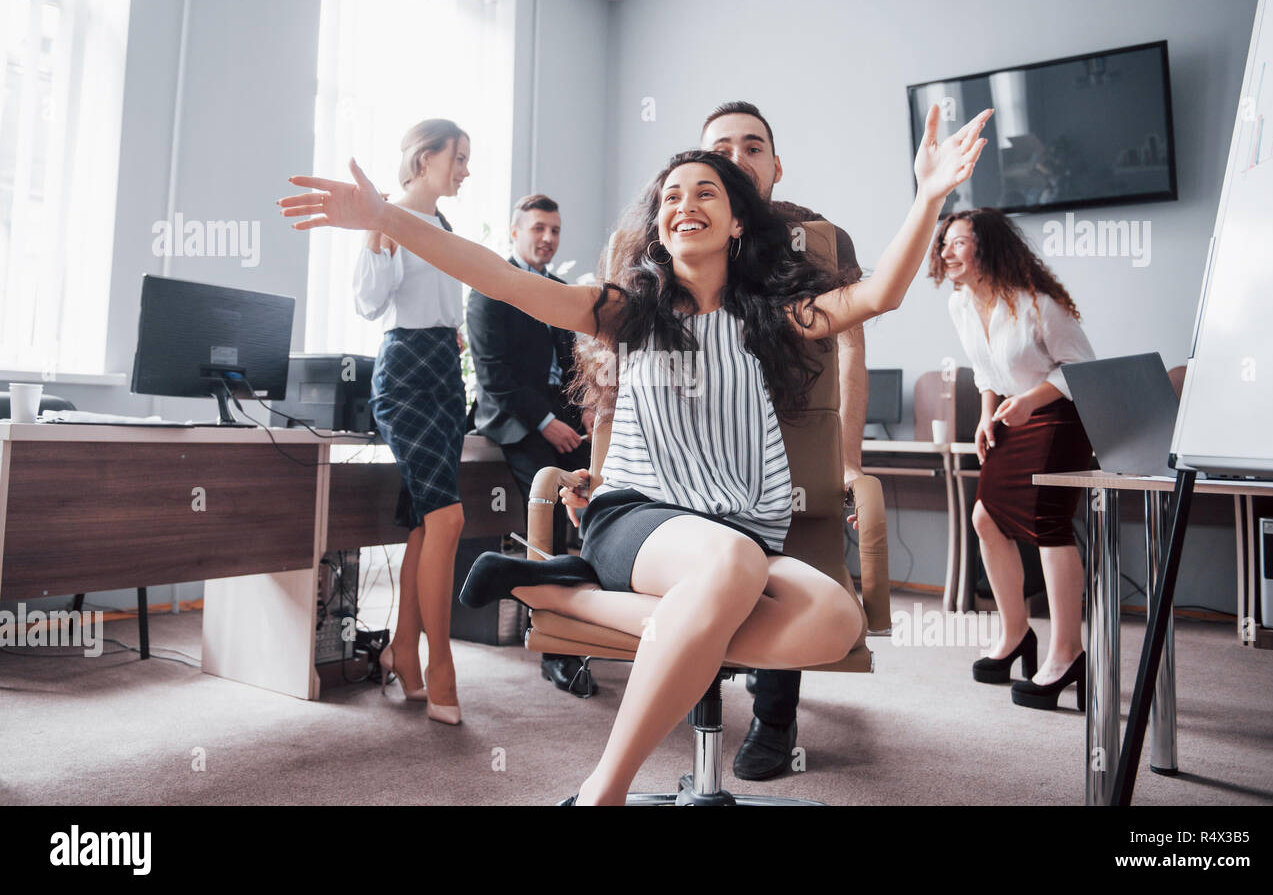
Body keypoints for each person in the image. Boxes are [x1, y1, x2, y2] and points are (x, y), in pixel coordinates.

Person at [279, 103, 991, 804]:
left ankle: (561, 591)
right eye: (671, 195)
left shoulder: (770, 317)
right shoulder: (624, 310)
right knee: (732, 567)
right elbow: (501, 279)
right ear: (658, 226)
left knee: (833, 618)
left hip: (739, 534)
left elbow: (880, 295)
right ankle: (604, 790)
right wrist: (386, 217)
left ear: (737, 219)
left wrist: (930, 195)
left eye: (706, 191)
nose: (687, 202)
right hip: (640, 518)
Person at [699, 100, 868, 780]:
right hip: (702, 433)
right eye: (722, 147)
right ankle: (704, 689)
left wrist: (847, 459)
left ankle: (774, 716)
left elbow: (852, 346)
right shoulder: (682, 229)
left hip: (788, 428)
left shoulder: (817, 241)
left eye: (753, 146)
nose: (739, 158)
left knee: (788, 551)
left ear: (774, 164)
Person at [928, 207, 1095, 710]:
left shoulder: (1038, 302)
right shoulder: (961, 303)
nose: (945, 251)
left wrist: (1027, 402)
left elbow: (1082, 370)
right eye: (944, 244)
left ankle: (1068, 653)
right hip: (1008, 416)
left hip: (1059, 419)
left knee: (1049, 526)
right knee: (986, 520)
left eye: (958, 242)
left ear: (988, 249)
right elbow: (985, 370)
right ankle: (1016, 634)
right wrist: (985, 415)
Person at [352, 118, 471, 726]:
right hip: (404, 372)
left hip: (447, 377)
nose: (466, 170)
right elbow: (370, 304)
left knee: (428, 524)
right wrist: (376, 227)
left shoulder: (445, 225)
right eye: (459, 158)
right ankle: (441, 662)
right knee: (448, 518)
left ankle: (403, 651)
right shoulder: (391, 218)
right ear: (426, 158)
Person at [465, 193, 597, 697]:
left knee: (605, 500)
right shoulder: (488, 290)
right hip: (516, 424)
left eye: (555, 230)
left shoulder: (560, 292)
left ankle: (605, 625)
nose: (547, 238)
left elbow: (575, 367)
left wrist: (585, 407)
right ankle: (555, 650)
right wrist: (546, 423)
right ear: (515, 232)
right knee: (550, 521)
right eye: (538, 228)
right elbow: (494, 377)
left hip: (564, 422)